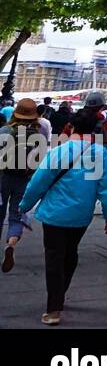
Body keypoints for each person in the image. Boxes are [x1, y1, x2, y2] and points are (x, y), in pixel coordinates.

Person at [19, 107, 107, 325]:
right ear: (94, 129)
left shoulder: (58, 152)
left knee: (54, 257)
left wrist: (24, 205)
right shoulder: (99, 154)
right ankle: (60, 293)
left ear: (71, 126)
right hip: (81, 214)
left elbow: (38, 183)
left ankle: (54, 308)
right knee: (70, 252)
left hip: (55, 214)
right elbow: (106, 188)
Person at [1, 99, 49, 273]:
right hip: (24, 178)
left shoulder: (5, 130)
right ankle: (11, 243)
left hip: (3, 177)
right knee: (16, 215)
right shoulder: (41, 132)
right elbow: (41, 159)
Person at [61, 91, 107, 157]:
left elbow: (61, 142)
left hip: (73, 161)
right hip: (97, 163)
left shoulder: (73, 122)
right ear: (103, 107)